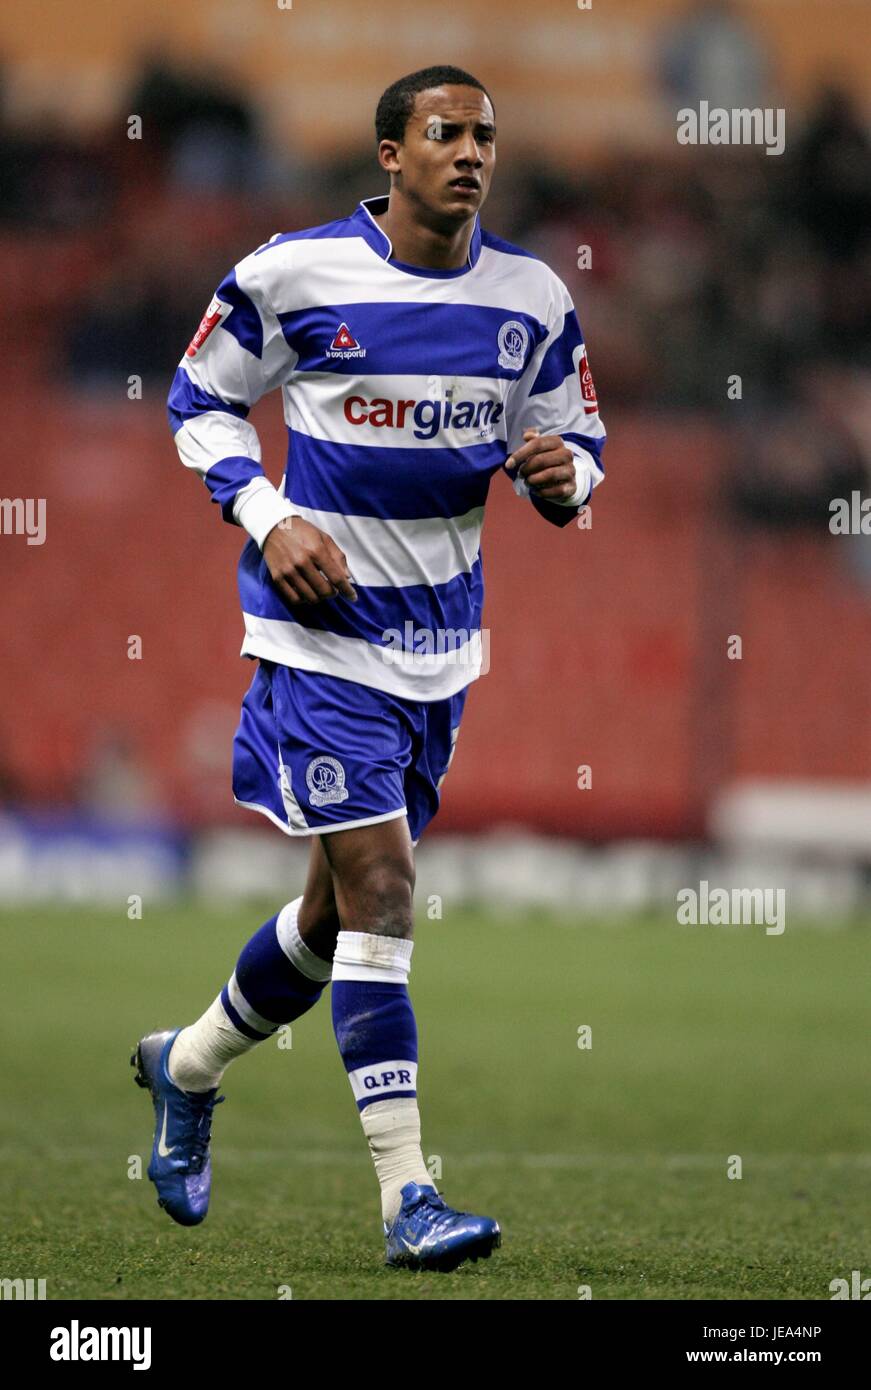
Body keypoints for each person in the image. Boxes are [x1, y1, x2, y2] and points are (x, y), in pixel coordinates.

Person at [133, 64, 606, 1273]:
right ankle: (409, 1200)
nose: (470, 152)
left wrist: (568, 482)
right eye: (444, 132)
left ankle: (181, 1067)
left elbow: (574, 435)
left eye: (485, 135)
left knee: (330, 912)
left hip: (441, 653)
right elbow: (198, 398)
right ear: (389, 154)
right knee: (385, 893)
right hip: (317, 645)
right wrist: (265, 513)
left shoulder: (534, 297)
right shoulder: (296, 274)